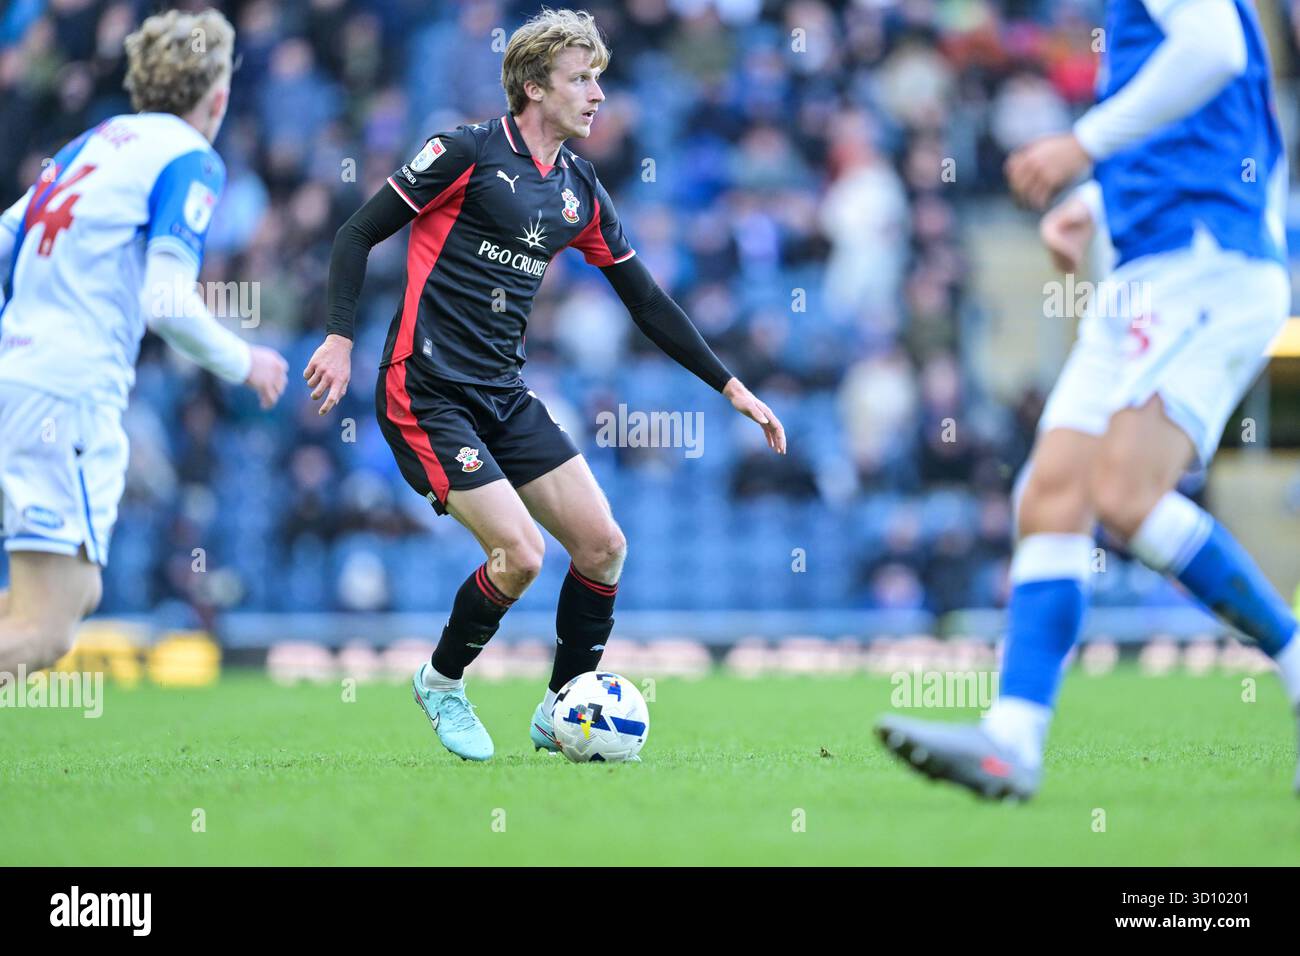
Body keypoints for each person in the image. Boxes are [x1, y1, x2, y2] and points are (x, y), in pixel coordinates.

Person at [305, 8, 785, 761]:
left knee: (602, 546)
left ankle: (563, 705)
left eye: (599, 77)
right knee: (522, 556)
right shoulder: (463, 152)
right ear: (533, 86)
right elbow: (355, 233)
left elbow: (646, 300)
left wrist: (730, 387)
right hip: (424, 390)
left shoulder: (580, 189)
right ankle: (441, 681)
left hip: (504, 392)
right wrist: (337, 335)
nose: (598, 94)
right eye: (581, 79)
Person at [876, 0, 1300, 799]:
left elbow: (1211, 53)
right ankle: (1013, 741)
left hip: (1204, 264)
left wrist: (1082, 143)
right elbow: (1216, 125)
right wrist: (1101, 201)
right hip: (1149, 271)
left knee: (1125, 498)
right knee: (1049, 495)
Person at [0, 8, 287, 682]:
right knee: (44, 633)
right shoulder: (191, 158)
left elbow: (6, 239)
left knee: (64, 596)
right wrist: (248, 360)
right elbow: (166, 300)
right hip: (64, 393)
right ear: (217, 93)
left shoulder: (90, 145)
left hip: (21, 376)